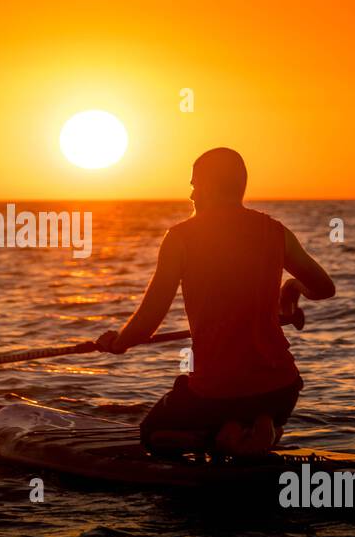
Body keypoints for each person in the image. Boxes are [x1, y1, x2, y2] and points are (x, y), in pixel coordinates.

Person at [95, 147, 335, 461]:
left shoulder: (180, 238)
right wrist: (292, 287)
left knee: (152, 436)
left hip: (217, 392)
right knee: (252, 406)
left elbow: (149, 319)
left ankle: (224, 436)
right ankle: (261, 428)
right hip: (281, 389)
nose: (192, 194)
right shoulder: (276, 232)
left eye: (194, 185)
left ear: (207, 186)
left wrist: (118, 343)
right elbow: (324, 288)